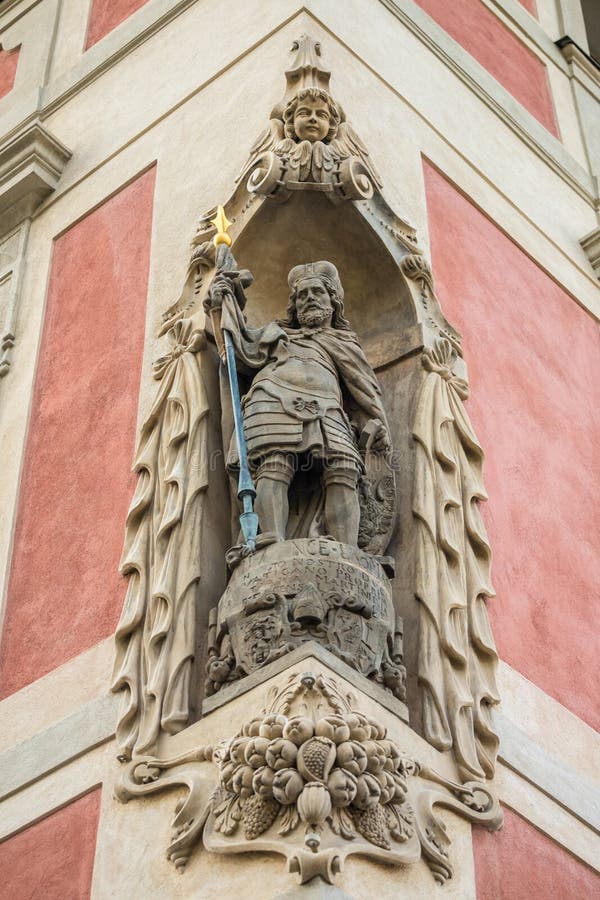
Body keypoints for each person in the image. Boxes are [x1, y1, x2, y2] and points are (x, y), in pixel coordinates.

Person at [208, 260, 391, 547]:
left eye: (317, 292)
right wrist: (222, 305)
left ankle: (347, 548)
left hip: (329, 409)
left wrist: (374, 420)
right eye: (302, 295)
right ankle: (269, 541)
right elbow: (234, 349)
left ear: (333, 301)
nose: (309, 299)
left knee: (344, 469)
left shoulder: (344, 342)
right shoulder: (276, 333)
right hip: (272, 398)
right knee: (274, 465)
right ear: (294, 306)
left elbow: (363, 389)